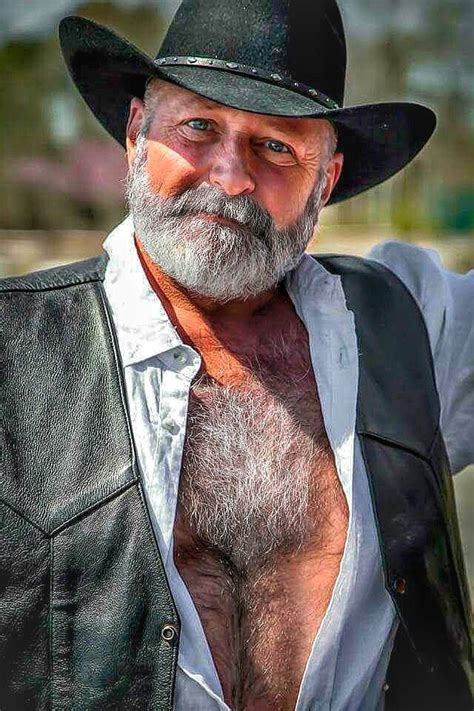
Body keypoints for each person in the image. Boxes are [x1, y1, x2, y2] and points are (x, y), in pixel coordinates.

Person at [0, 1, 472, 709]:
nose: (231, 176)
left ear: (328, 179)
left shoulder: (404, 323)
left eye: (276, 146)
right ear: (136, 133)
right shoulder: (14, 348)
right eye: (199, 127)